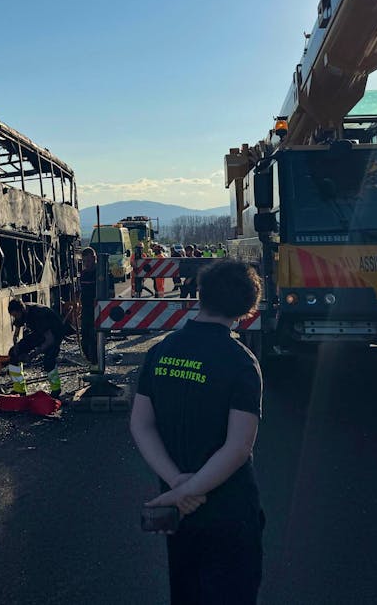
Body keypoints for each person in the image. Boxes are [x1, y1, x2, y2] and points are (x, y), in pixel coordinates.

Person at [130, 259, 264, 604]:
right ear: (247, 309)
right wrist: (187, 488)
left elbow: (141, 424)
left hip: (181, 513)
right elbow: (237, 448)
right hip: (229, 511)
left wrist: (176, 483)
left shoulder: (161, 351)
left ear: (200, 296)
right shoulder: (241, 362)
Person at [6, 297, 66, 396]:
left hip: (55, 333)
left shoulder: (39, 315)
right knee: (12, 354)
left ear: (22, 310)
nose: (16, 318)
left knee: (48, 360)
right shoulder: (21, 314)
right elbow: (16, 335)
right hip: (39, 332)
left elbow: (49, 340)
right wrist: (17, 348)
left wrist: (33, 355)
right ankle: (19, 389)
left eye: (16, 315)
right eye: (13, 316)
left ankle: (56, 390)